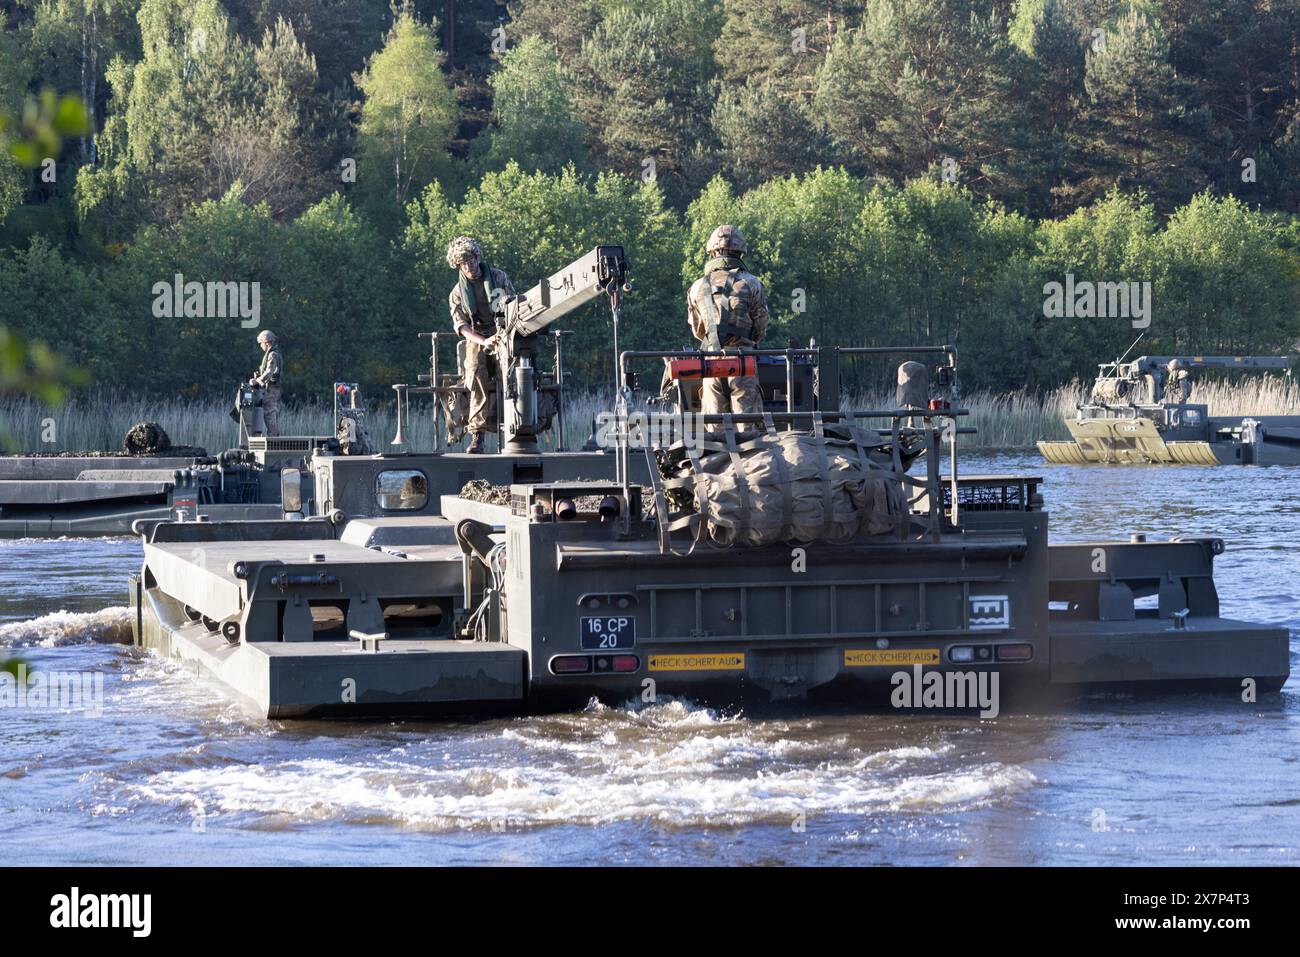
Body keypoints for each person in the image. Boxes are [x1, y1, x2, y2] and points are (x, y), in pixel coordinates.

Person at [686, 225, 769, 427]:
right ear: (740, 253)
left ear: (713, 252)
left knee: (714, 432)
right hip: (743, 364)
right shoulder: (753, 283)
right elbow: (760, 327)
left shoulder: (697, 287)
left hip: (711, 364)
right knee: (748, 432)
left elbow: (698, 331)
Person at [446, 236, 516, 453]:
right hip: (477, 337)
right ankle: (477, 435)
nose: (467, 266)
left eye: (470, 260)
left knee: (513, 372)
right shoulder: (457, 293)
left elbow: (513, 309)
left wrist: (501, 335)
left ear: (477, 258)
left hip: (503, 332)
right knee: (475, 371)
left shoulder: (498, 278)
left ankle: (517, 426)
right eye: (462, 263)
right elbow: (462, 327)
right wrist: (484, 340)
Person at [250, 330, 283, 437]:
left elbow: (269, 372)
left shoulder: (272, 355)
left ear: (267, 343)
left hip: (271, 389)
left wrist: (257, 380)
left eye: (261, 343)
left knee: (269, 413)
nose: (261, 346)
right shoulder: (273, 354)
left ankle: (273, 438)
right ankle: (273, 436)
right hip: (272, 389)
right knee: (270, 413)